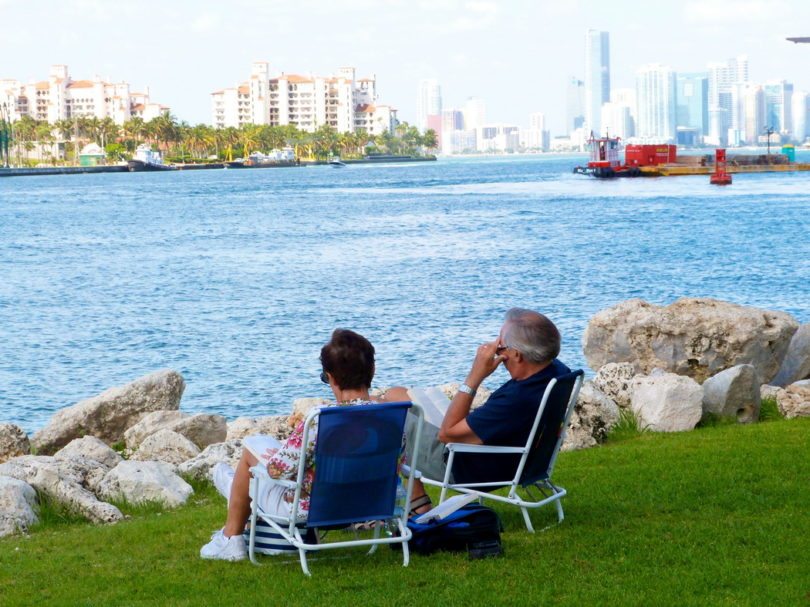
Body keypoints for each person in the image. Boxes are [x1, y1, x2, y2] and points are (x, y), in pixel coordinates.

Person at [201, 328, 406, 561]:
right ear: (372, 370)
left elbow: (276, 471)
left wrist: (275, 457)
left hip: (314, 510)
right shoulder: (393, 419)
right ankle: (230, 498)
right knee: (261, 455)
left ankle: (231, 538)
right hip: (371, 504)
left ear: (331, 377)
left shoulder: (320, 421)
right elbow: (399, 463)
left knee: (251, 451)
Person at [388, 308, 570, 509]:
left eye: (500, 345)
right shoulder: (556, 372)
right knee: (397, 393)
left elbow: (447, 434)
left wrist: (476, 374)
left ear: (516, 354)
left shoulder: (515, 400)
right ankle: (416, 499)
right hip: (509, 459)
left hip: (461, 466)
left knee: (387, 411)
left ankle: (415, 502)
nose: (495, 348)